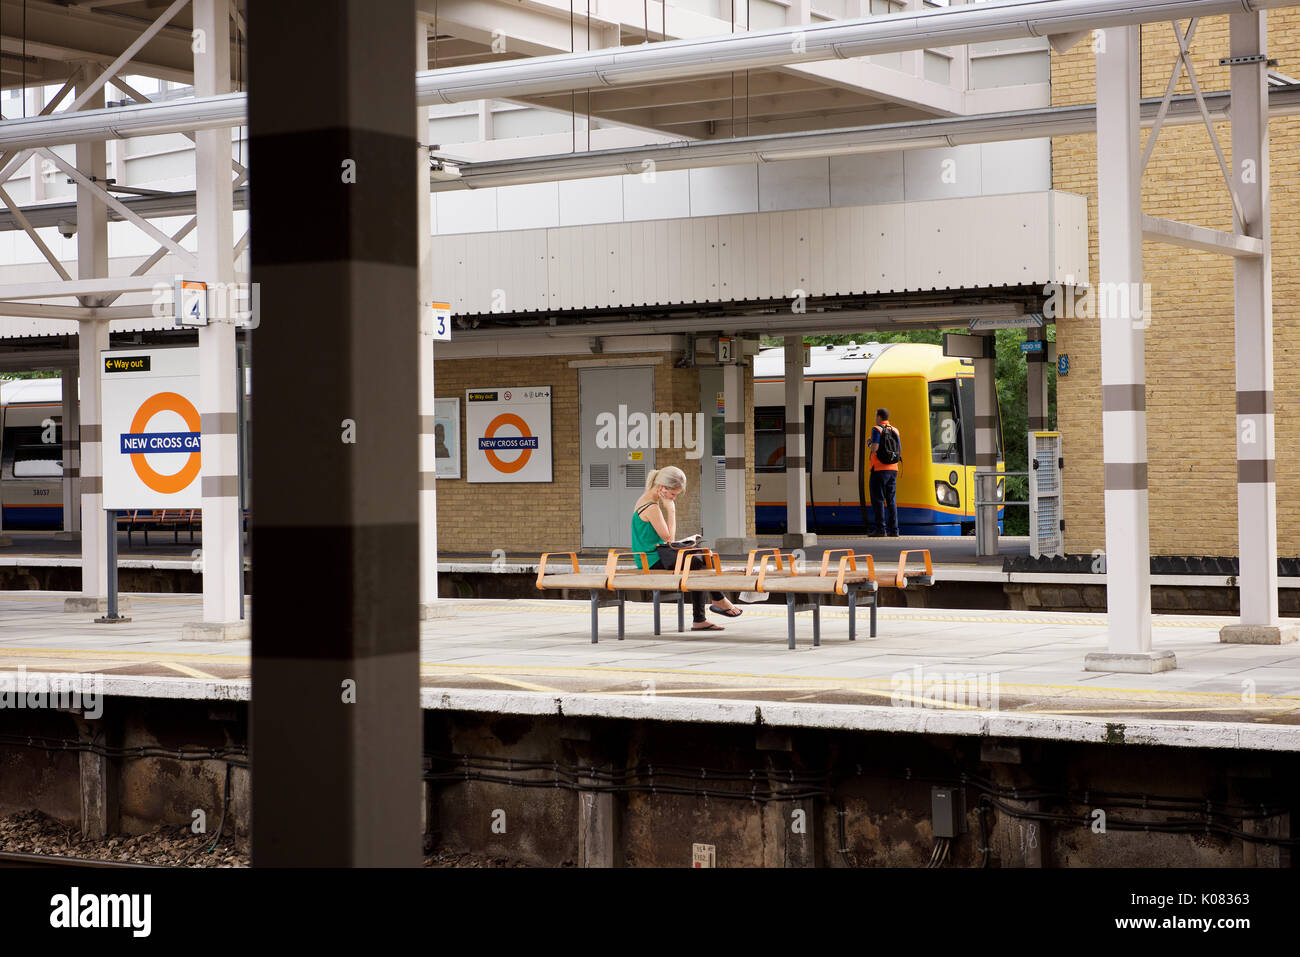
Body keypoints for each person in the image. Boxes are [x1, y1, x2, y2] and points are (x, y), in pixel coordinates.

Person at [631, 466, 740, 631]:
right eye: (673, 494)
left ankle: (707, 611)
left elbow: (663, 540)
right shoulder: (652, 507)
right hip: (651, 561)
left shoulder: (645, 500)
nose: (674, 498)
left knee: (702, 557)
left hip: (654, 556)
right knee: (697, 562)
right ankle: (712, 607)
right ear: (662, 489)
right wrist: (671, 509)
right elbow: (670, 539)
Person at [868, 407, 900, 537]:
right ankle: (894, 530)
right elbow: (899, 449)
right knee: (891, 500)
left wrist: (869, 443)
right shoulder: (895, 430)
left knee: (878, 500)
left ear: (880, 417)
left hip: (879, 469)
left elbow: (874, 449)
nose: (875, 418)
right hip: (893, 469)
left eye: (876, 416)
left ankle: (881, 529)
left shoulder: (877, 429)